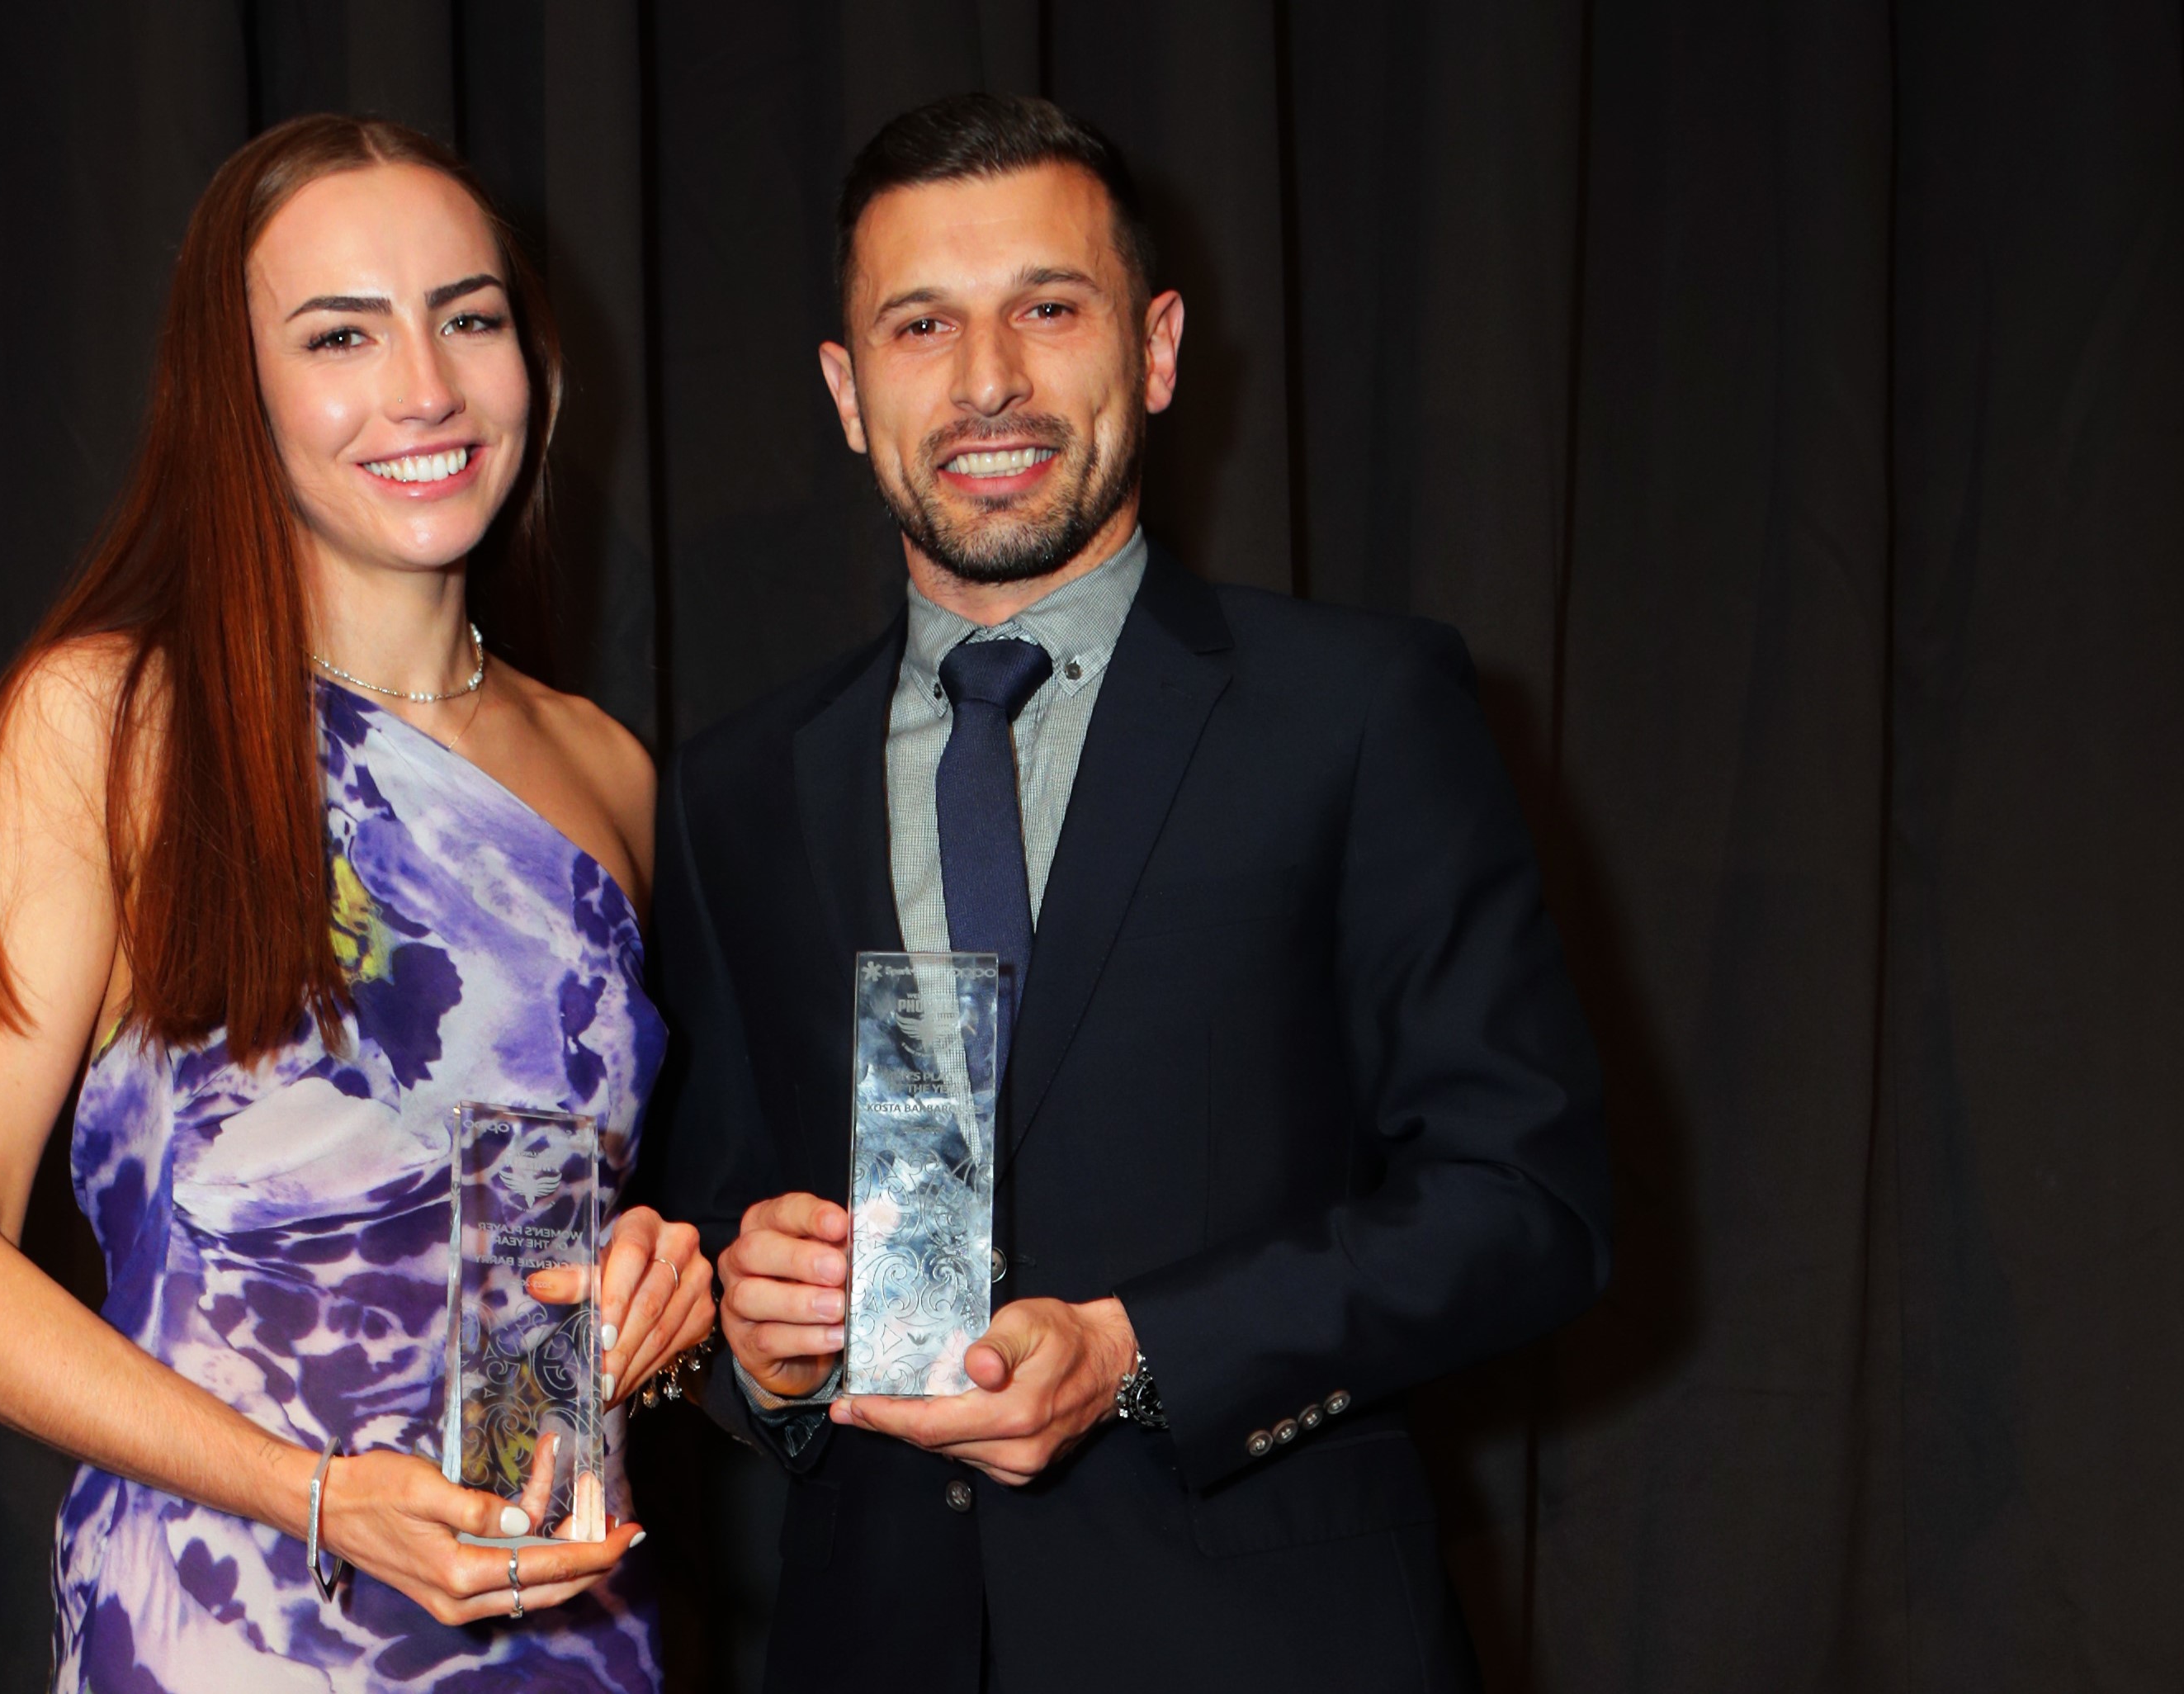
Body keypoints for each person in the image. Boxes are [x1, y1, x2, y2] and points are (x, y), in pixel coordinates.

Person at [654, 93, 1611, 1691]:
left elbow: (1528, 1205)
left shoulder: (1360, 712)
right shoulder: (733, 789)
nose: (986, 381)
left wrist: (1139, 1353)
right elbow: (712, 1232)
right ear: (845, 391)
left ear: (1155, 350)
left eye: (1048, 308)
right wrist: (755, 1348)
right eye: (919, 325)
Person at [0, 114, 714, 1692]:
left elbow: (562, 1256)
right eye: (341, 335)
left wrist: (662, 1294)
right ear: (234, 388)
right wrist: (318, 1497)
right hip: (224, 1626)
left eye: (468, 316)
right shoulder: (108, 727)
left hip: (557, 1625)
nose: (425, 388)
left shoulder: (610, 771)